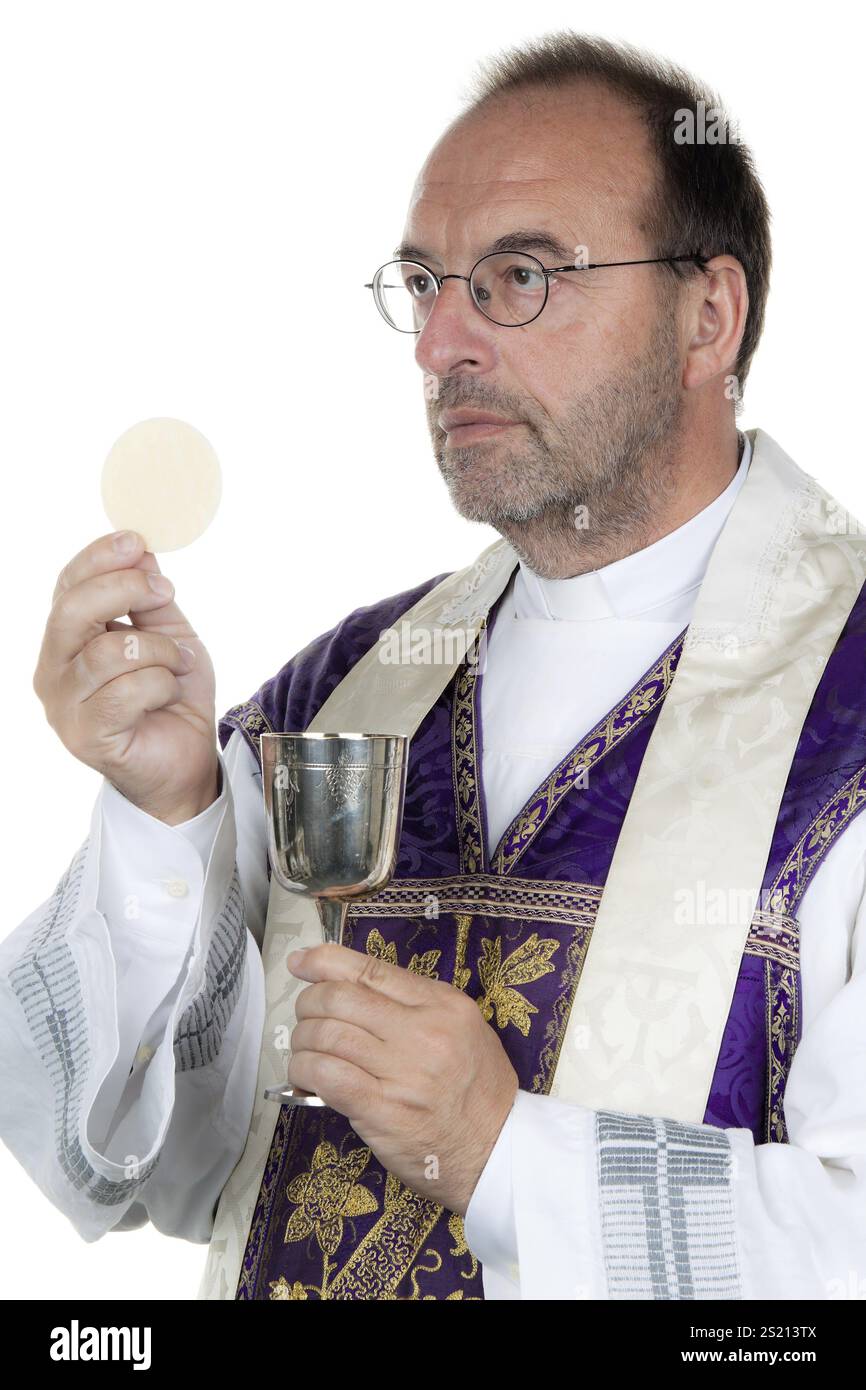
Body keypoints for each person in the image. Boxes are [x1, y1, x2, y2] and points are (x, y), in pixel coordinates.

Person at [3, 31, 866, 1302]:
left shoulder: (841, 714)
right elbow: (142, 1171)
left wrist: (502, 1153)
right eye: (425, 281)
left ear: (706, 315)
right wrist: (167, 815)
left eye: (518, 276)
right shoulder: (342, 690)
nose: (438, 346)